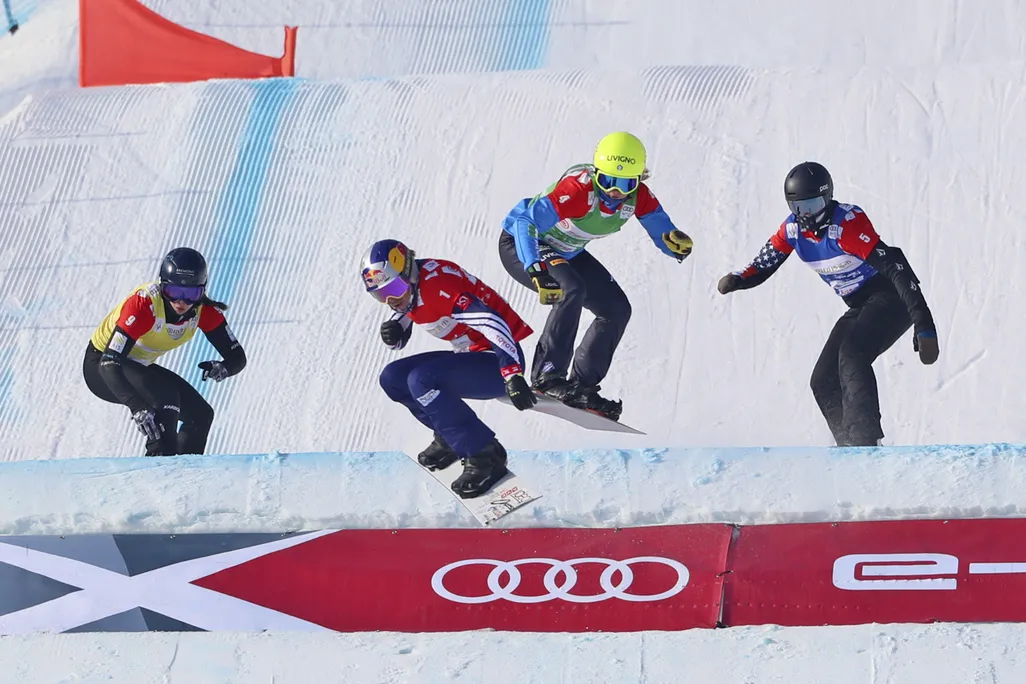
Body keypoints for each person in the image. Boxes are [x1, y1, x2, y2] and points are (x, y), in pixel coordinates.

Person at [717, 161, 939, 446]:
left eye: (813, 205)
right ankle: (846, 444)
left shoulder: (845, 225)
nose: (806, 215)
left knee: (852, 354)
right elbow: (763, 263)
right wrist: (737, 279)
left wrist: (924, 324)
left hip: (892, 299)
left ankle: (865, 440)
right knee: (822, 380)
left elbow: (896, 265)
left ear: (828, 197)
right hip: (859, 305)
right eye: (799, 208)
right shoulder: (793, 231)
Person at [498, 131, 693, 421]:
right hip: (523, 243)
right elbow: (526, 222)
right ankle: (547, 377)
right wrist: (535, 266)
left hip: (567, 250)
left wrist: (674, 246)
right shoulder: (578, 190)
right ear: (597, 173)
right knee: (571, 288)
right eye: (608, 181)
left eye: (627, 183)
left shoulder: (639, 197)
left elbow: (661, 228)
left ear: (640, 179)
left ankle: (582, 386)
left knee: (616, 309)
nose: (616, 191)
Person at [364, 239, 536, 499]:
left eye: (396, 288)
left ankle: (484, 454)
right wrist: (396, 331)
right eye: (381, 295)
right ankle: (450, 436)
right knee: (393, 378)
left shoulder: (439, 286)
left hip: (497, 361)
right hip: (471, 356)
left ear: (408, 272)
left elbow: (492, 321)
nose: (392, 300)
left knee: (423, 380)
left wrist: (513, 374)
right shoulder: (412, 289)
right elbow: (409, 309)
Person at [83, 247, 246, 456]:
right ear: (162, 287)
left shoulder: (204, 311)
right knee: (165, 398)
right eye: (174, 292)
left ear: (202, 291)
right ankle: (159, 473)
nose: (181, 302)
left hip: (135, 365)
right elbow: (109, 363)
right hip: (101, 365)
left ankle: (185, 477)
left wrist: (225, 367)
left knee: (201, 414)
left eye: (191, 294)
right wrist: (137, 406)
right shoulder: (144, 305)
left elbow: (237, 357)